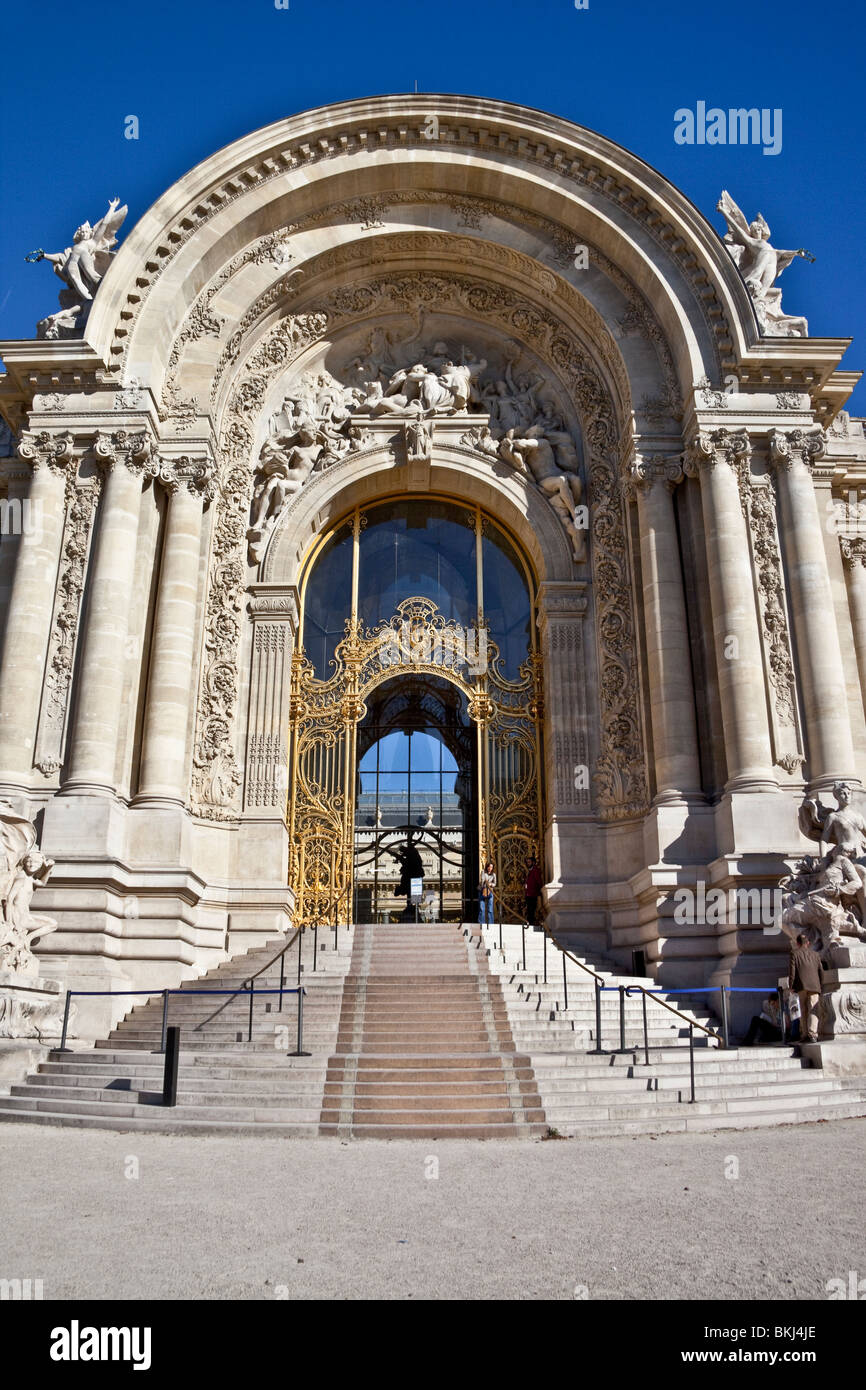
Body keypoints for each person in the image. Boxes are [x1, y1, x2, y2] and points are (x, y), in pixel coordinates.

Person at [788, 933, 823, 1043]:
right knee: (813, 1008)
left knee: (803, 1010)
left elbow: (792, 972)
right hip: (814, 986)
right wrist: (820, 985)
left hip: (801, 986)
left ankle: (804, 1035)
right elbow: (821, 971)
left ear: (797, 943)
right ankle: (812, 1034)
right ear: (808, 943)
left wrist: (791, 986)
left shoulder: (794, 953)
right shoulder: (815, 954)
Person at [524, 855, 542, 929]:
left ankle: (531, 924)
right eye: (527, 862)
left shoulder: (535, 870)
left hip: (533, 893)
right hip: (529, 893)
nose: (528, 863)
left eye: (529, 862)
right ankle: (530, 923)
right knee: (529, 909)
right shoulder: (531, 870)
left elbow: (539, 881)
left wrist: (539, 890)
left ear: (533, 862)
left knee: (531, 910)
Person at [478, 861, 496, 926]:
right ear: (487, 867)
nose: (490, 868)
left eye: (491, 867)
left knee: (490, 909)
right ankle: (481, 923)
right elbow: (482, 881)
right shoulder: (483, 872)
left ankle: (491, 924)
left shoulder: (493, 874)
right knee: (481, 908)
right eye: (489, 866)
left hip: (490, 891)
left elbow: (495, 883)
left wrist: (490, 884)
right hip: (482, 890)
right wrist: (485, 883)